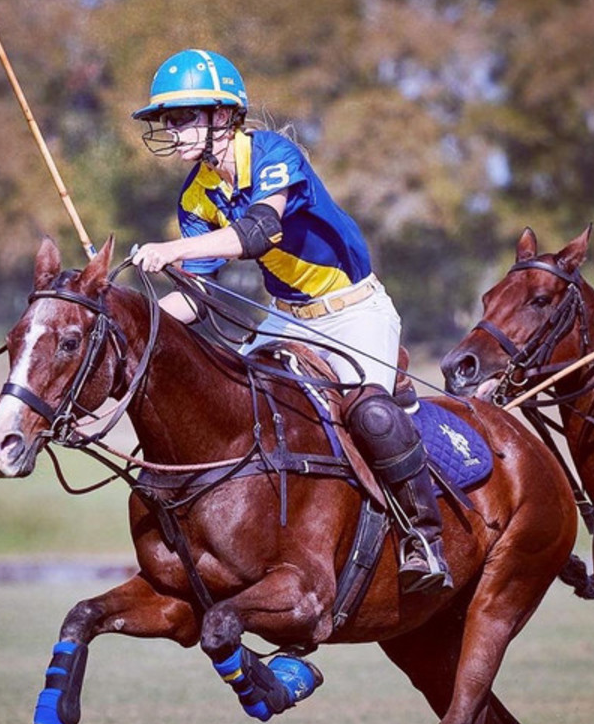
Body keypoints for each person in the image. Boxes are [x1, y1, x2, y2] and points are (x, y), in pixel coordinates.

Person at [129, 48, 449, 592]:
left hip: (354, 313)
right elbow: (198, 295)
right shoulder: (197, 195)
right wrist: (137, 320)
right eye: (166, 119)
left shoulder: (275, 155)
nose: (171, 129)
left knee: (372, 418)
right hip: (287, 318)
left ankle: (423, 537)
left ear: (223, 116)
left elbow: (256, 234)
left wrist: (169, 251)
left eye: (182, 116)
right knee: (235, 404)